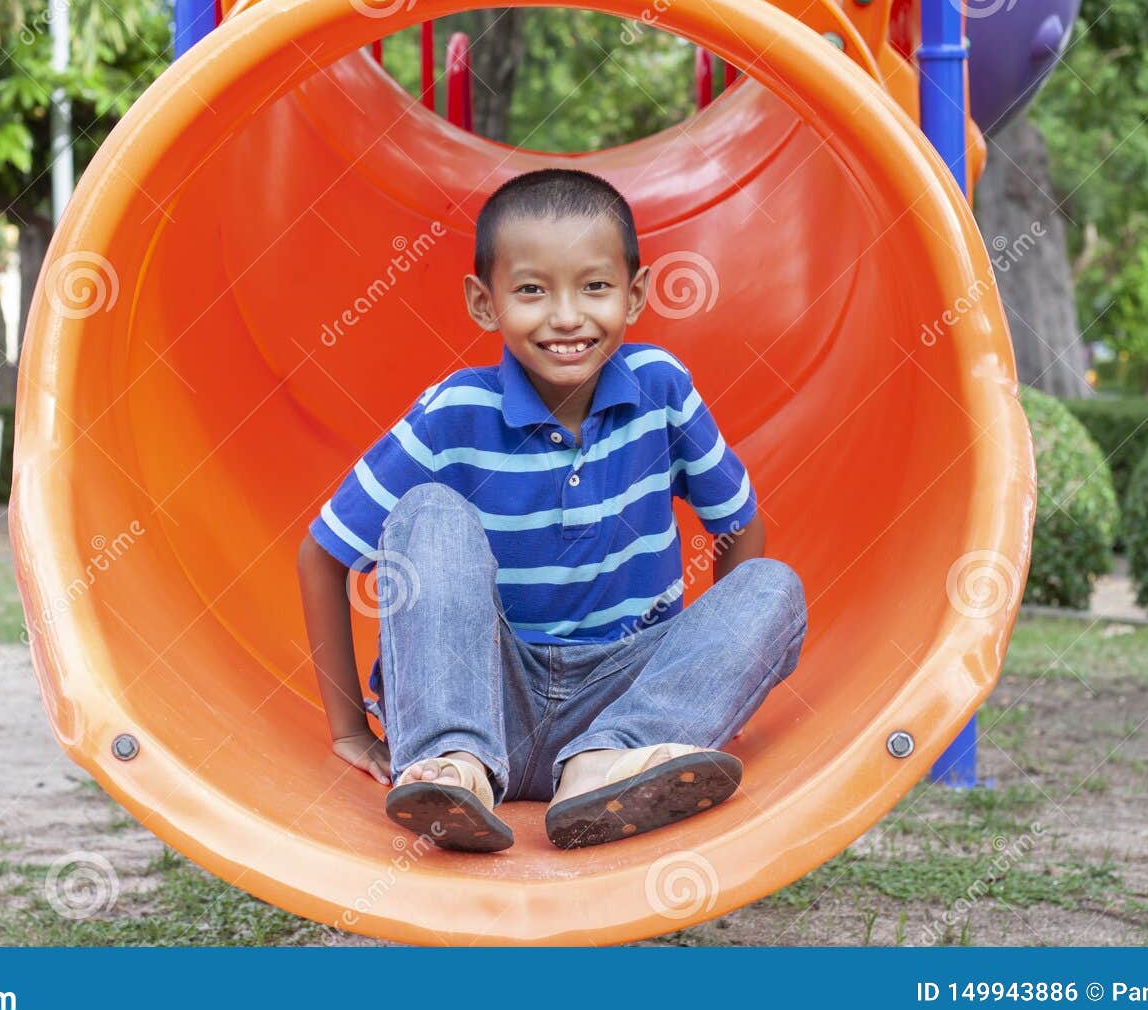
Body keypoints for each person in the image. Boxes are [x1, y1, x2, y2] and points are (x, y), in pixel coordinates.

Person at [296, 168, 805, 852]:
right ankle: (457, 764)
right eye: (532, 290)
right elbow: (322, 553)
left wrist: (704, 682)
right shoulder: (457, 411)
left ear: (636, 294)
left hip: (624, 691)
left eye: (594, 287)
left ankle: (604, 765)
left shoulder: (661, 390)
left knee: (776, 589)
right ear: (485, 302)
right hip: (485, 686)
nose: (566, 316)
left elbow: (740, 526)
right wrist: (349, 728)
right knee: (428, 513)